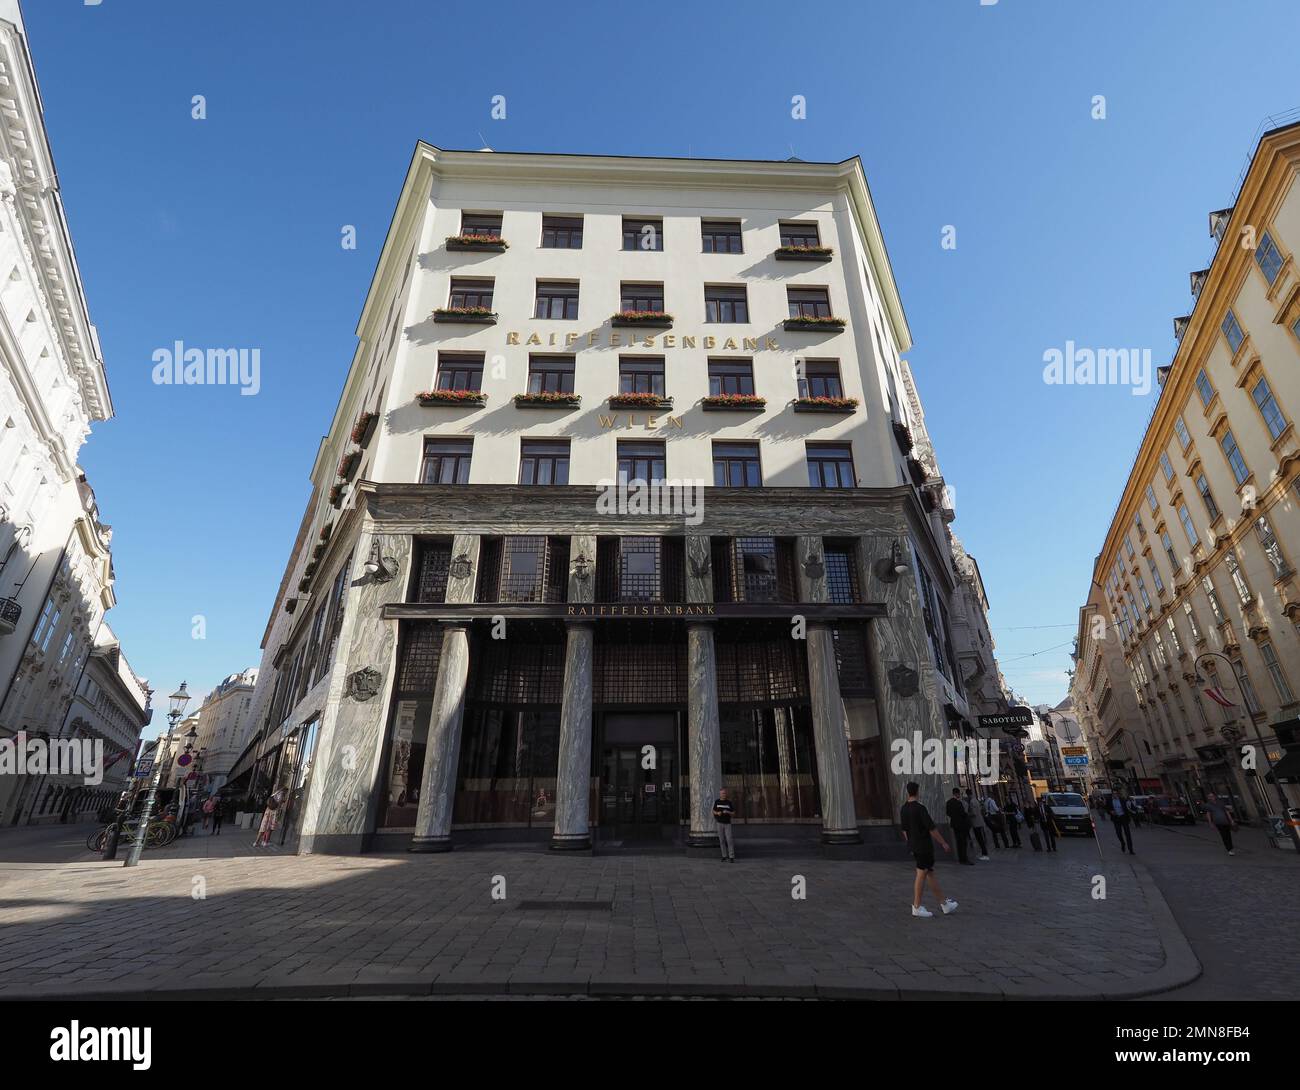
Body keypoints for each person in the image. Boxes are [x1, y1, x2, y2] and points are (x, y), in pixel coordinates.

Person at [899, 782, 957, 918]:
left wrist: (910, 843)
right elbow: (931, 828)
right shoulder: (920, 808)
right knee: (922, 873)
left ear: (908, 792)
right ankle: (917, 906)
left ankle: (944, 904)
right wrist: (943, 842)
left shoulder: (904, 809)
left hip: (915, 845)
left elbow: (904, 830)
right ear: (918, 792)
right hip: (923, 846)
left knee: (929, 872)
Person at [945, 788, 973, 865]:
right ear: (957, 794)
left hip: (954, 824)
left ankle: (961, 858)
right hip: (961, 825)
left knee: (958, 841)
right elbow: (963, 814)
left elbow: (948, 813)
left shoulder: (948, 802)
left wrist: (954, 817)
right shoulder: (958, 803)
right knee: (963, 842)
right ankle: (964, 858)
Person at [712, 787, 736, 862]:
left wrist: (728, 812)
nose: (723, 794)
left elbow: (734, 813)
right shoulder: (717, 802)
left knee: (729, 840)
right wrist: (717, 813)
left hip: (727, 824)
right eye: (722, 793)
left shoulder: (729, 802)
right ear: (720, 794)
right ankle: (724, 856)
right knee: (721, 840)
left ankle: (731, 856)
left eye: (725, 793)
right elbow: (713, 811)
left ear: (726, 794)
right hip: (719, 823)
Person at [964, 789, 989, 860]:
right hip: (979, 822)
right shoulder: (976, 800)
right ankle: (984, 853)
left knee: (979, 839)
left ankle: (985, 854)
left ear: (968, 794)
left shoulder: (972, 801)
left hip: (976, 823)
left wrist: (967, 814)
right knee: (981, 838)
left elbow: (974, 813)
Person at [1110, 789, 1135, 854]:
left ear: (1118, 794)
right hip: (1116, 819)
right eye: (1113, 794)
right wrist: (1111, 812)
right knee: (1118, 833)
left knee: (1127, 834)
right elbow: (1107, 808)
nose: (1115, 795)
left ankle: (1130, 849)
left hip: (1123, 818)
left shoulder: (1123, 800)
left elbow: (1128, 807)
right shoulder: (1110, 801)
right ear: (1112, 794)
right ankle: (1122, 843)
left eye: (1116, 793)